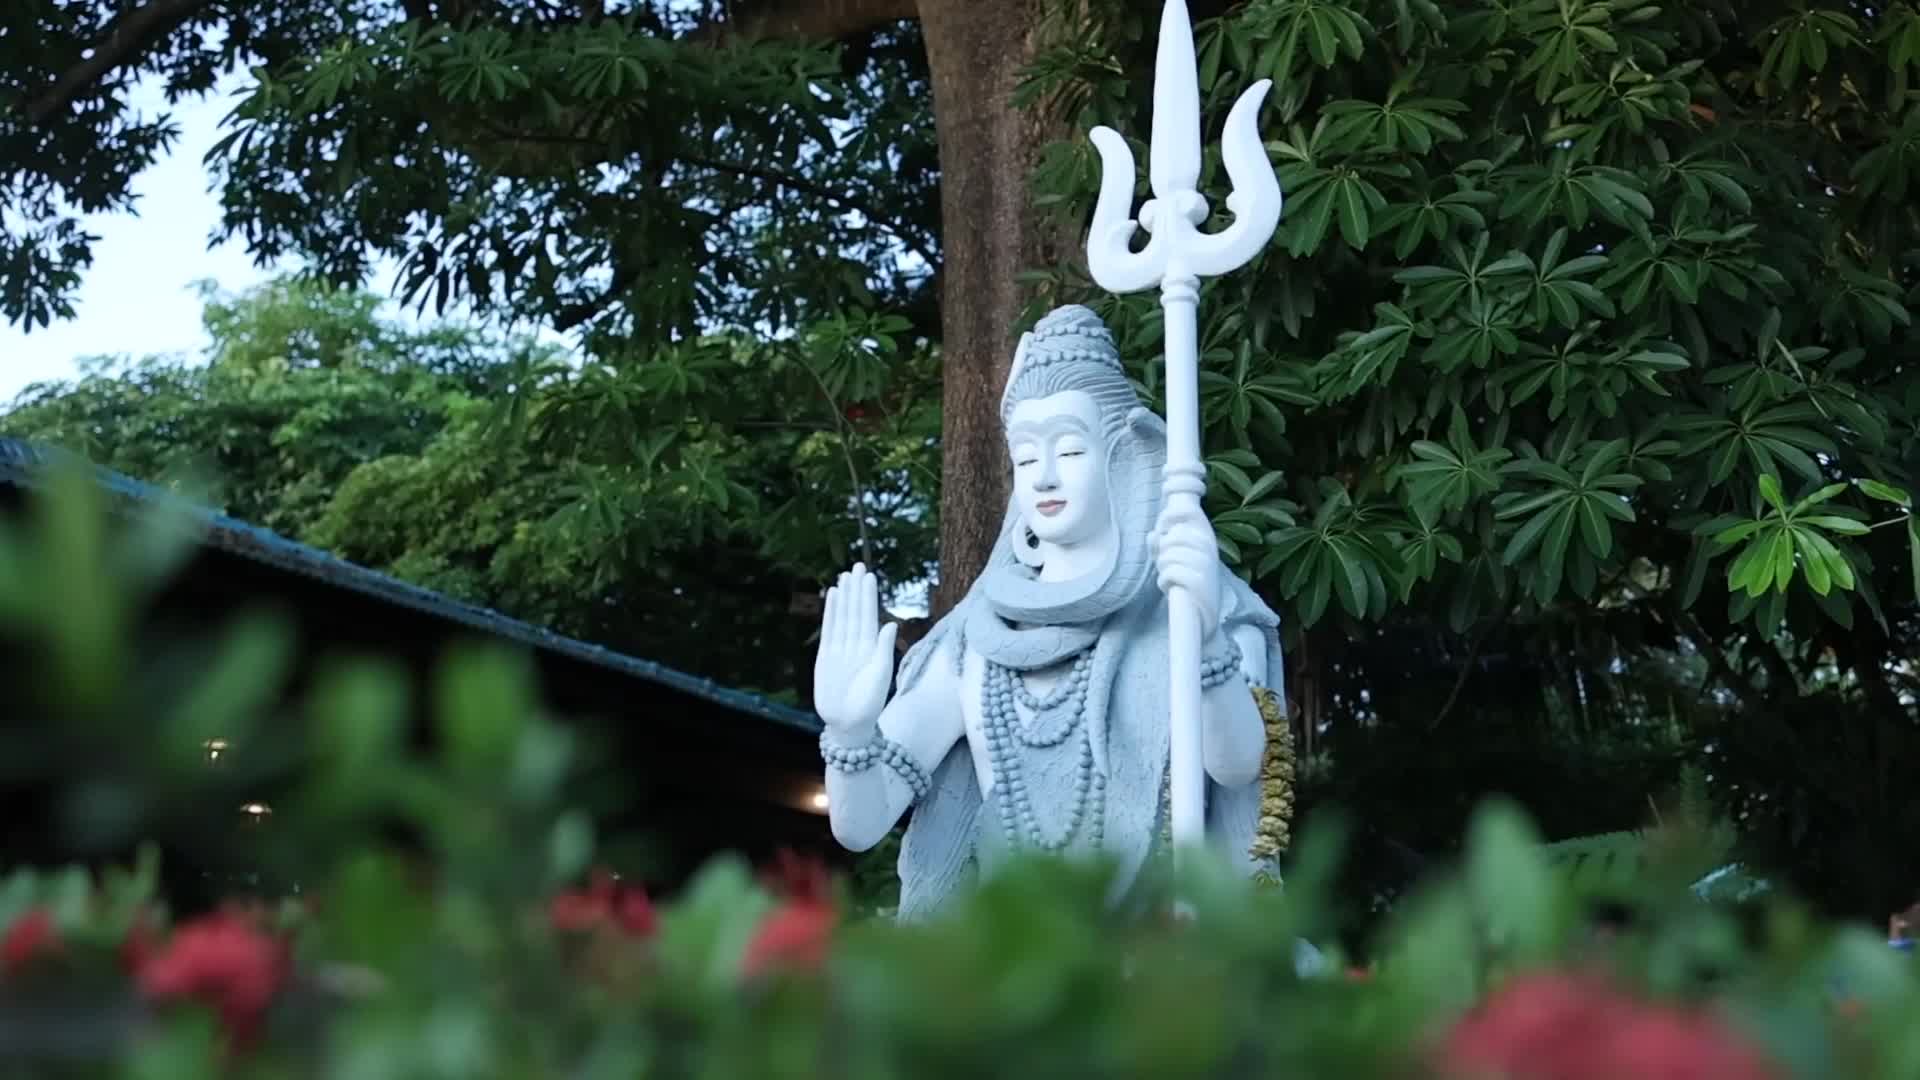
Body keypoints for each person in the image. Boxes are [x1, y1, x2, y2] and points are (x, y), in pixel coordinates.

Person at [811, 304, 1287, 919]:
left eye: (1069, 448)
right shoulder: (977, 638)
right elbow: (862, 821)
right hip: (1016, 967)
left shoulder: (1194, 599)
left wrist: (1206, 642)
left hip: (1159, 962)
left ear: (1126, 453)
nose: (1044, 478)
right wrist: (849, 732)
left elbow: (1235, 764)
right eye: (1027, 458)